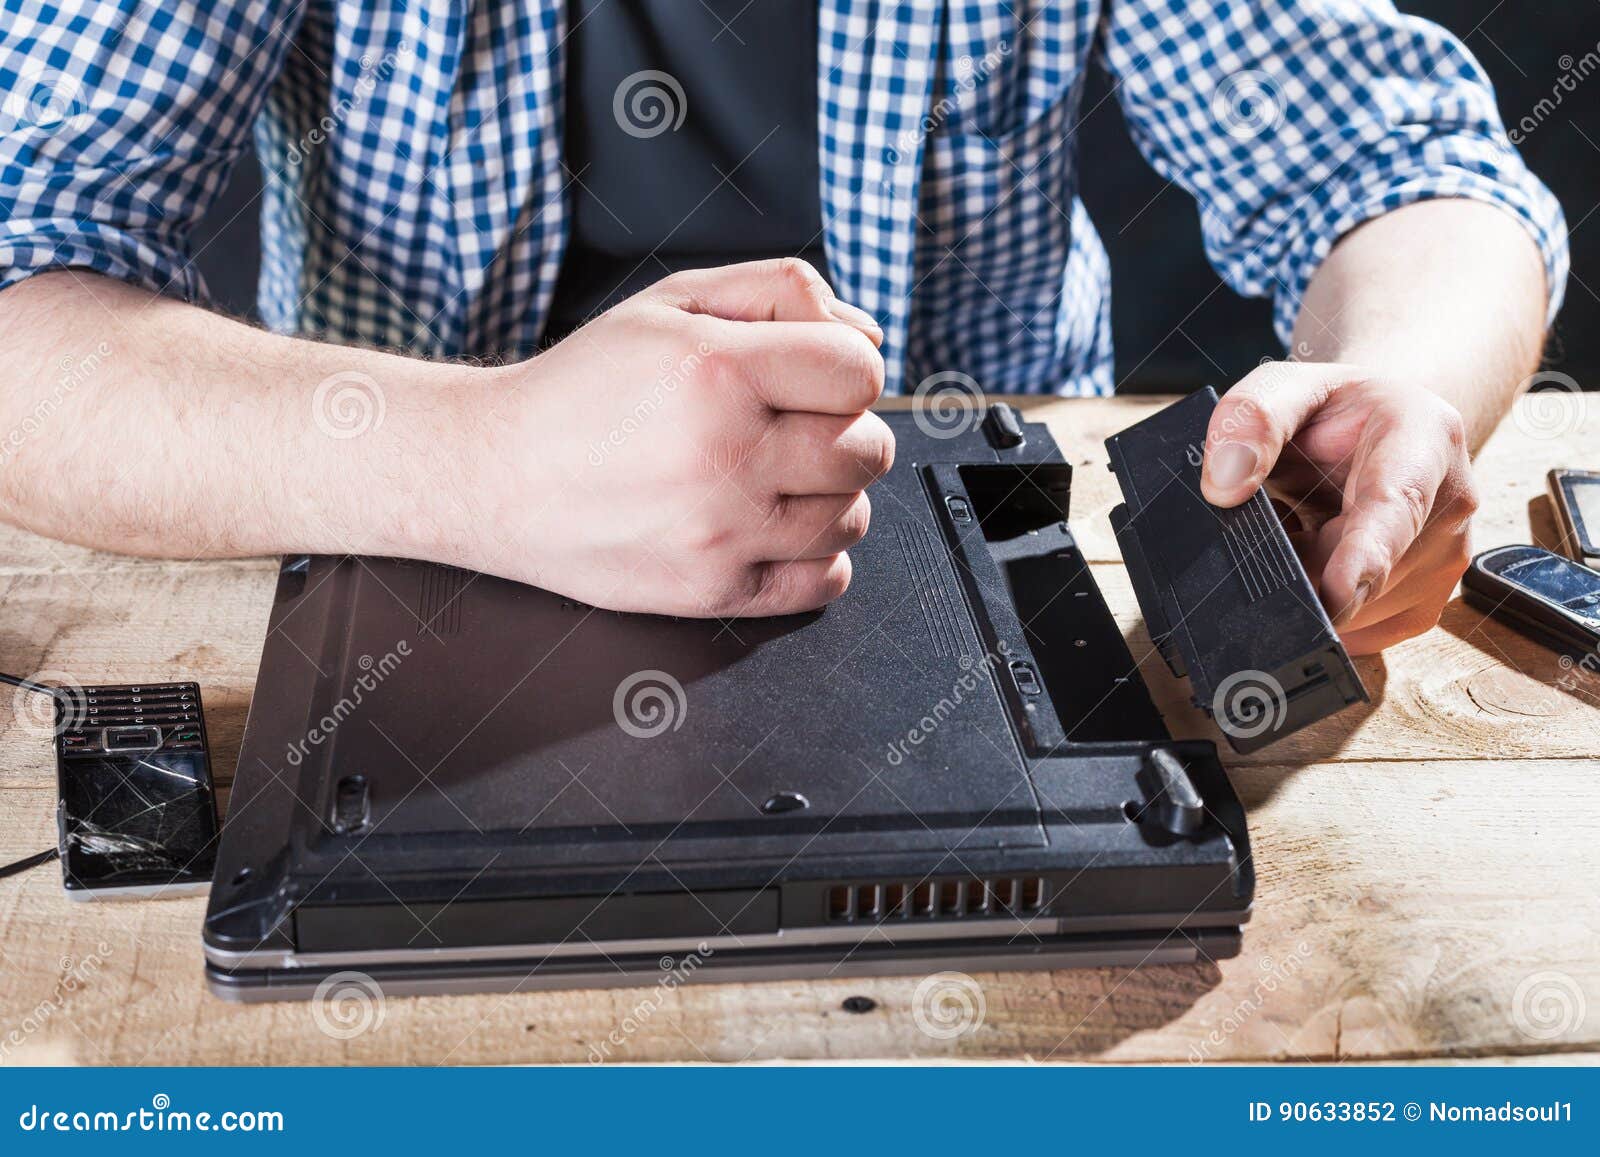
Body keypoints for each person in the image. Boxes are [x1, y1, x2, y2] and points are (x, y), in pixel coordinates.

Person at [0, 1, 1567, 654]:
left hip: (991, 603)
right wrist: (480, 459)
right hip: (404, 553)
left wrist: (1399, 384)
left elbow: (1402, 165)